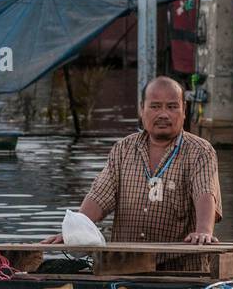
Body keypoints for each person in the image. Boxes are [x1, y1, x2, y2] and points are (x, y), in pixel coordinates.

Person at [43, 76, 222, 246]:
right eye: (155, 106)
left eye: (172, 107)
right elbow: (99, 196)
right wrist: (75, 231)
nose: (163, 114)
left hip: (180, 266)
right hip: (126, 264)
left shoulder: (200, 151)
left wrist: (203, 231)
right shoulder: (123, 149)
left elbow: (204, 193)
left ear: (184, 110)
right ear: (141, 109)